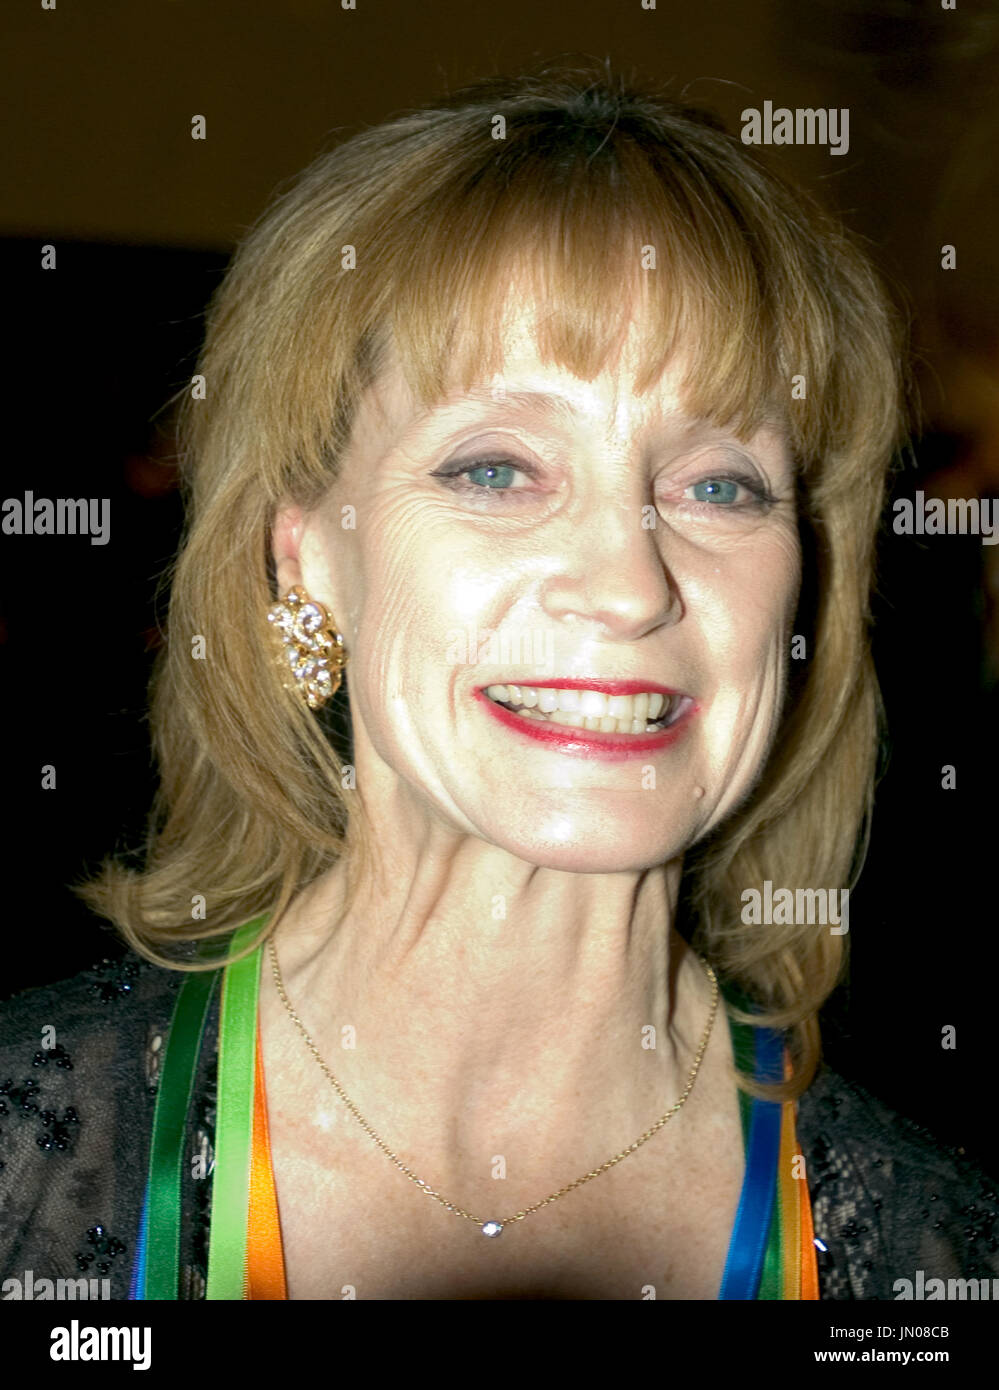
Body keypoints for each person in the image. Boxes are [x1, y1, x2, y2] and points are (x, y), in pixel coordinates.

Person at [2, 59, 997, 1303]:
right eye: (496, 469)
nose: (631, 583)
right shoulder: (26, 1151)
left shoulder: (933, 1257)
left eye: (720, 483)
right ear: (307, 554)